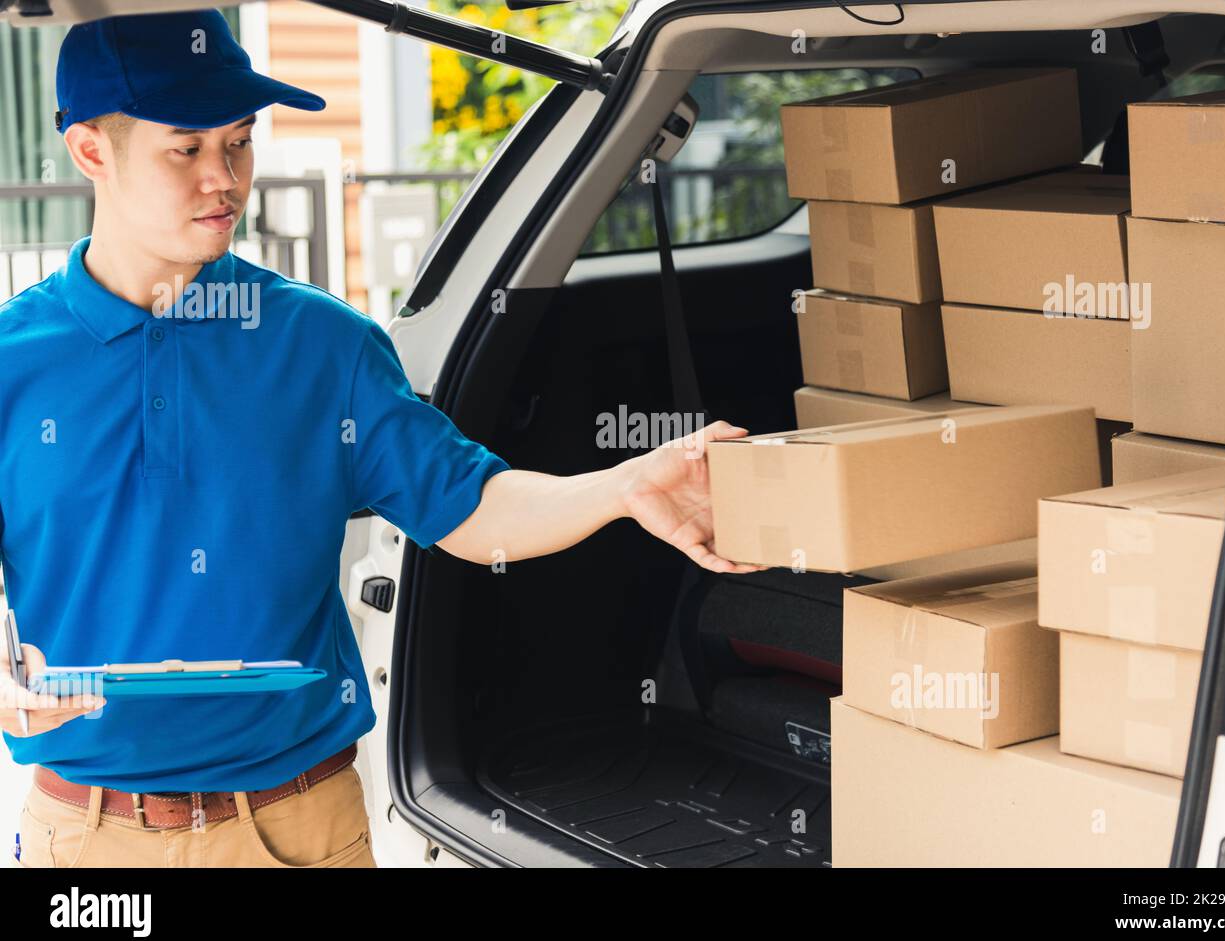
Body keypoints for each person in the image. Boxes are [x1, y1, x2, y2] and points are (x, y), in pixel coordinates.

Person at [0, 8, 761, 868]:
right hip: (87, 841)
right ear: (92, 150)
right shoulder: (10, 363)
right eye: (187, 149)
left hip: (300, 828)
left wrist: (619, 488)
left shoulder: (322, 344)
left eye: (240, 142)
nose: (226, 179)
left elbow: (466, 504)